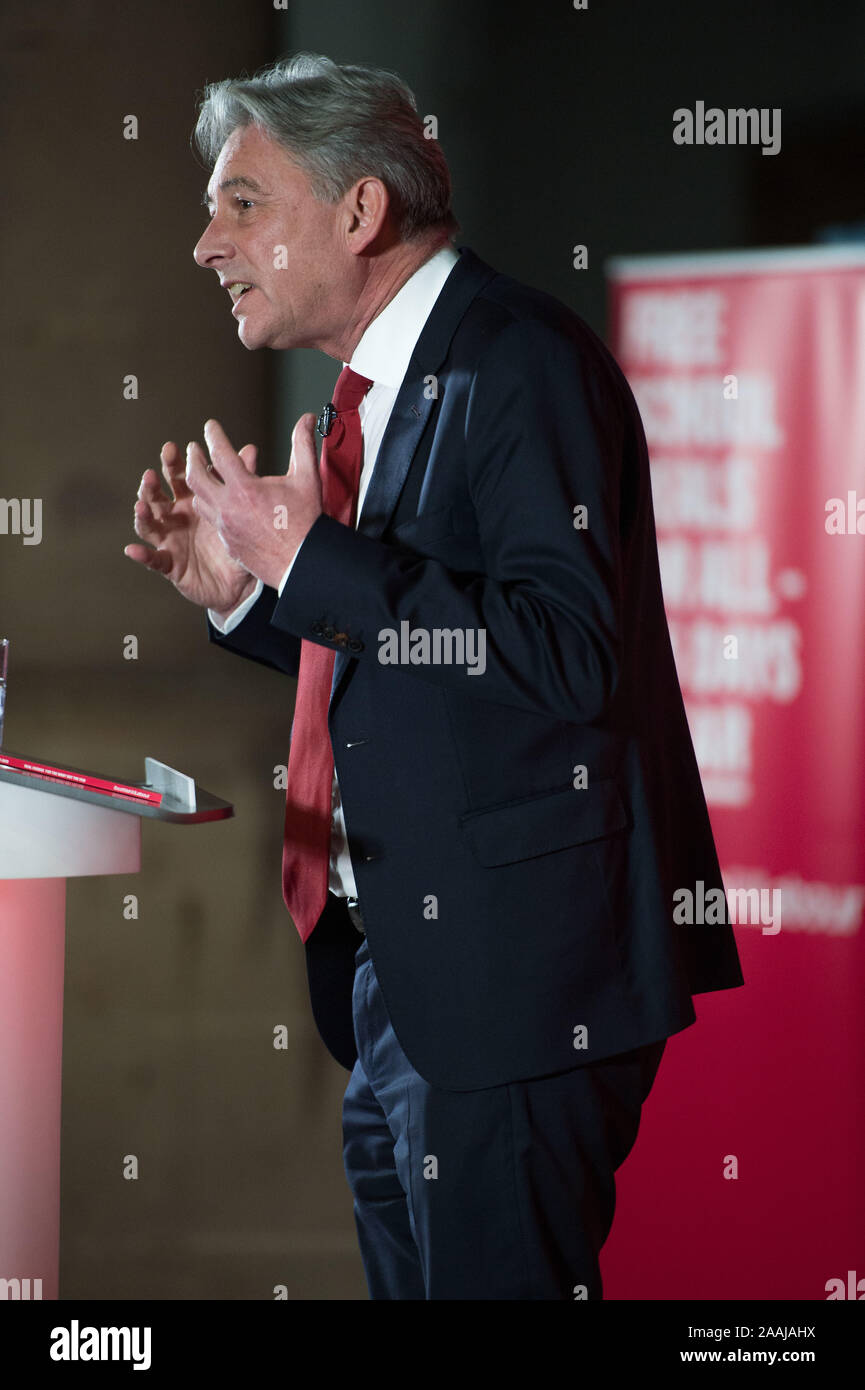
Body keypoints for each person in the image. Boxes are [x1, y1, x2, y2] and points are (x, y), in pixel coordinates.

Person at [125, 52, 743, 1300]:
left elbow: (570, 655)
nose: (206, 243)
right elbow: (413, 664)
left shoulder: (521, 363)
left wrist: (312, 555)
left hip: (519, 989)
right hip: (400, 973)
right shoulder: (379, 383)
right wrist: (251, 594)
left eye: (242, 202)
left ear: (360, 213)